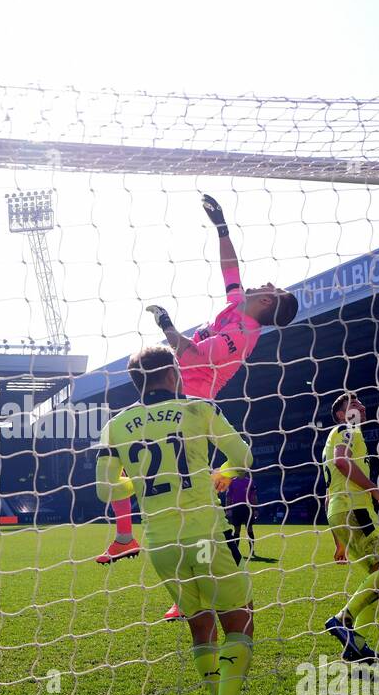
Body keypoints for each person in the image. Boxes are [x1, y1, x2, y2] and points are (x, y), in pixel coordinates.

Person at [97, 192, 298, 572]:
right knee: (130, 461)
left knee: (186, 493)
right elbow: (230, 270)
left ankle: (204, 561)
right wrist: (221, 227)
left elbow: (190, 356)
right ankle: (126, 537)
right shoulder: (236, 308)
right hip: (172, 393)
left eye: (273, 287)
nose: (267, 282)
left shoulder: (242, 333)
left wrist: (167, 326)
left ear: (269, 303)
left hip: (193, 400)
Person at [97, 345, 263, 695]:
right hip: (207, 534)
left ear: (137, 382)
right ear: (172, 373)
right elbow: (243, 456)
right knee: (241, 621)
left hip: (161, 544)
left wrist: (138, 481)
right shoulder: (198, 409)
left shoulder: (115, 425)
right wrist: (222, 474)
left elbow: (105, 491)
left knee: (200, 625)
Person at [320, 392, 379, 662]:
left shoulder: (336, 435)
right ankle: (341, 619)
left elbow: (327, 491)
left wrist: (338, 541)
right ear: (340, 414)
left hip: (340, 512)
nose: (360, 406)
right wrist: (374, 489)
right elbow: (342, 462)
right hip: (355, 509)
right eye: (352, 404)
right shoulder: (347, 430)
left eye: (359, 402)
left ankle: (355, 644)